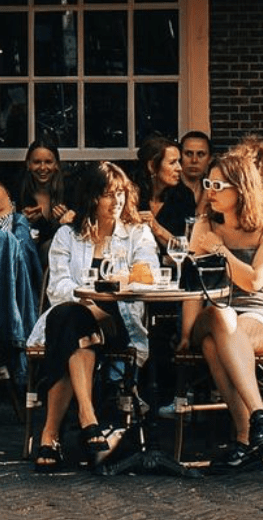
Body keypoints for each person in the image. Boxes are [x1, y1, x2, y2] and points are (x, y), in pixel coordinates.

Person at [26, 161, 159, 472]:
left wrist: (111, 292)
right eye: (108, 195)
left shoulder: (137, 234)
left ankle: (50, 434)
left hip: (118, 322)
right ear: (91, 198)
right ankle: (88, 418)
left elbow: (148, 275)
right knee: (72, 321)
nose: (117, 202)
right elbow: (57, 287)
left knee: (68, 324)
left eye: (121, 194)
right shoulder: (67, 237)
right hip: (77, 319)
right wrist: (92, 307)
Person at [179, 144, 263, 473]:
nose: (210, 192)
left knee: (219, 344)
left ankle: (245, 441)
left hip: (255, 314)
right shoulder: (204, 226)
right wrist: (186, 334)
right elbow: (191, 284)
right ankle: (259, 414)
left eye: (218, 186)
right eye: (208, 185)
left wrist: (221, 251)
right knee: (219, 314)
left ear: (240, 189)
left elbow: (255, 283)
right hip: (211, 311)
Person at [133, 134, 194, 250]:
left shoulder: (184, 196)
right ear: (152, 166)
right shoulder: (131, 195)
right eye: (172, 163)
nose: (179, 168)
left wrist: (156, 228)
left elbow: (186, 248)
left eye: (179, 161)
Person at [17, 139, 74, 258]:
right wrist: (22, 221)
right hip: (28, 258)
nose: (43, 168)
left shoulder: (69, 191)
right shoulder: (18, 193)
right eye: (37, 162)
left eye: (48, 162)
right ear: (28, 164)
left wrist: (67, 221)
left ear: (57, 164)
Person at [179, 129, 213, 210]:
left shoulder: (214, 190)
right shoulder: (169, 190)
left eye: (200, 154)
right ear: (180, 157)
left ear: (210, 159)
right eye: (189, 154)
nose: (194, 160)